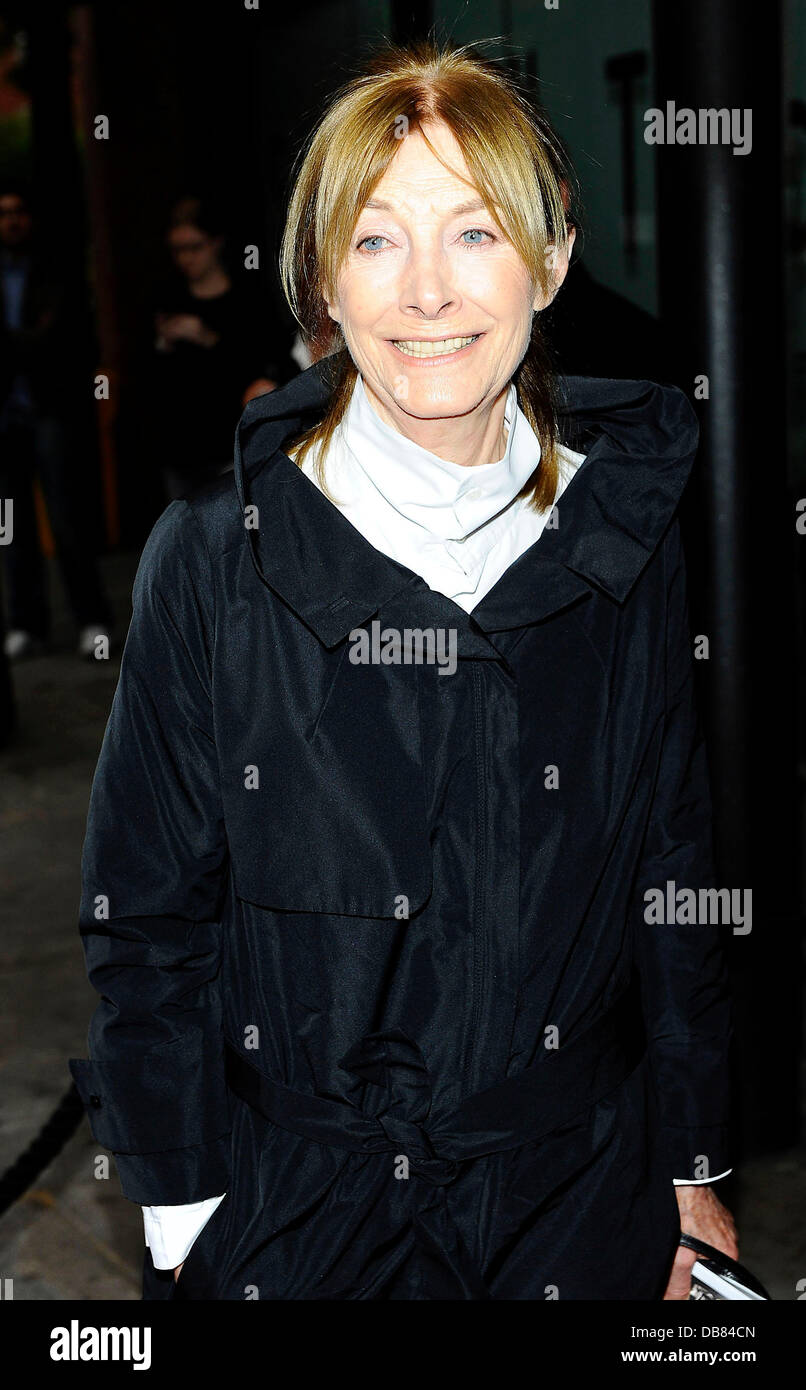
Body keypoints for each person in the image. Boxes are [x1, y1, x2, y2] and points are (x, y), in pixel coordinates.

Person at [69, 39, 737, 1301]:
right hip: (298, 1220)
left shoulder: (622, 529)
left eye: (473, 233)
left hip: (578, 1196)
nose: (426, 292)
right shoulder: (217, 554)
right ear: (325, 277)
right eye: (376, 240)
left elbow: (670, 863)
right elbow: (146, 917)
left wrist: (691, 1164)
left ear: (549, 261)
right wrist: (181, 1217)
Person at [0, 179, 113, 660]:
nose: (12, 220)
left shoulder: (54, 267)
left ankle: (93, 620)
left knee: (68, 520)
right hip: (5, 416)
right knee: (11, 525)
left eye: (19, 210)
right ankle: (27, 625)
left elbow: (60, 340)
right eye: (3, 212)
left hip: (51, 410)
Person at [148, 194, 295, 501]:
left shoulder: (246, 298)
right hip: (181, 443)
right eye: (177, 250)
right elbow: (152, 374)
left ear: (215, 244)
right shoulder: (168, 297)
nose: (186, 258)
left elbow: (267, 362)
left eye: (194, 247)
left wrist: (206, 337)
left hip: (232, 439)